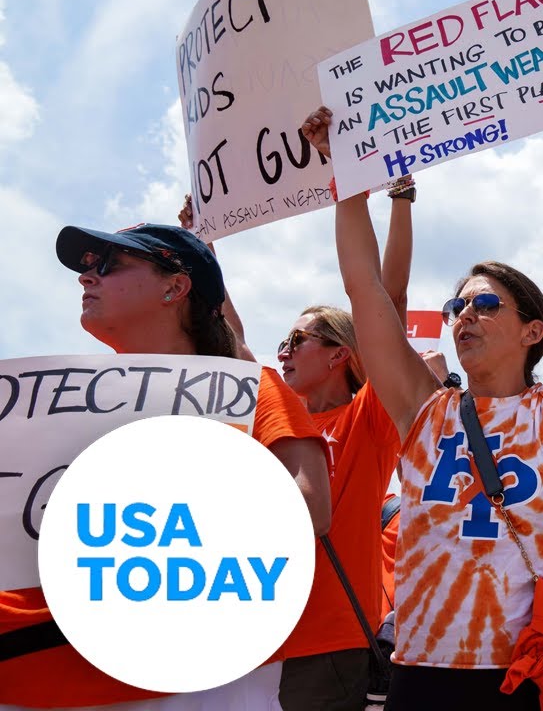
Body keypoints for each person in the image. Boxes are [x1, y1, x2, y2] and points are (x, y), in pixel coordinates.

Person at [301, 68, 543, 710]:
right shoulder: (419, 409)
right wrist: (343, 180)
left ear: (532, 329)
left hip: (525, 674)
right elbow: (365, 291)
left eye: (485, 303)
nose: (464, 315)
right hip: (421, 673)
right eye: (457, 305)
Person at [0, 223, 331, 708]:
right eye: (87, 266)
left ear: (175, 287)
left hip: (178, 682)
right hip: (23, 675)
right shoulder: (41, 401)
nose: (85, 278)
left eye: (107, 264)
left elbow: (310, 507)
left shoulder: (248, 390)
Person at [181, 182, 430, 709]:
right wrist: (201, 250)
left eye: (299, 341)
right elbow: (230, 336)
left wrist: (400, 200)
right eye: (283, 343)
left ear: (342, 354)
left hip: (328, 639)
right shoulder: (269, 414)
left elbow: (390, 302)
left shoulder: (369, 418)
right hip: (250, 631)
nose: (285, 352)